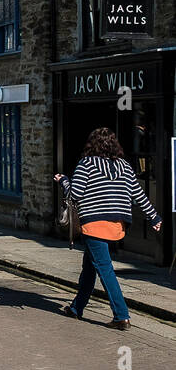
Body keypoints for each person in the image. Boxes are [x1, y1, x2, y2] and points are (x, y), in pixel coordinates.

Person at [55, 127, 162, 330]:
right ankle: (77, 308)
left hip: (94, 223)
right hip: (116, 224)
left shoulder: (86, 164)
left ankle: (122, 316)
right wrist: (154, 217)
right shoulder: (124, 166)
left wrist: (64, 181)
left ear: (91, 145)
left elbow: (75, 194)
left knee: (105, 269)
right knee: (90, 267)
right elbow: (138, 195)